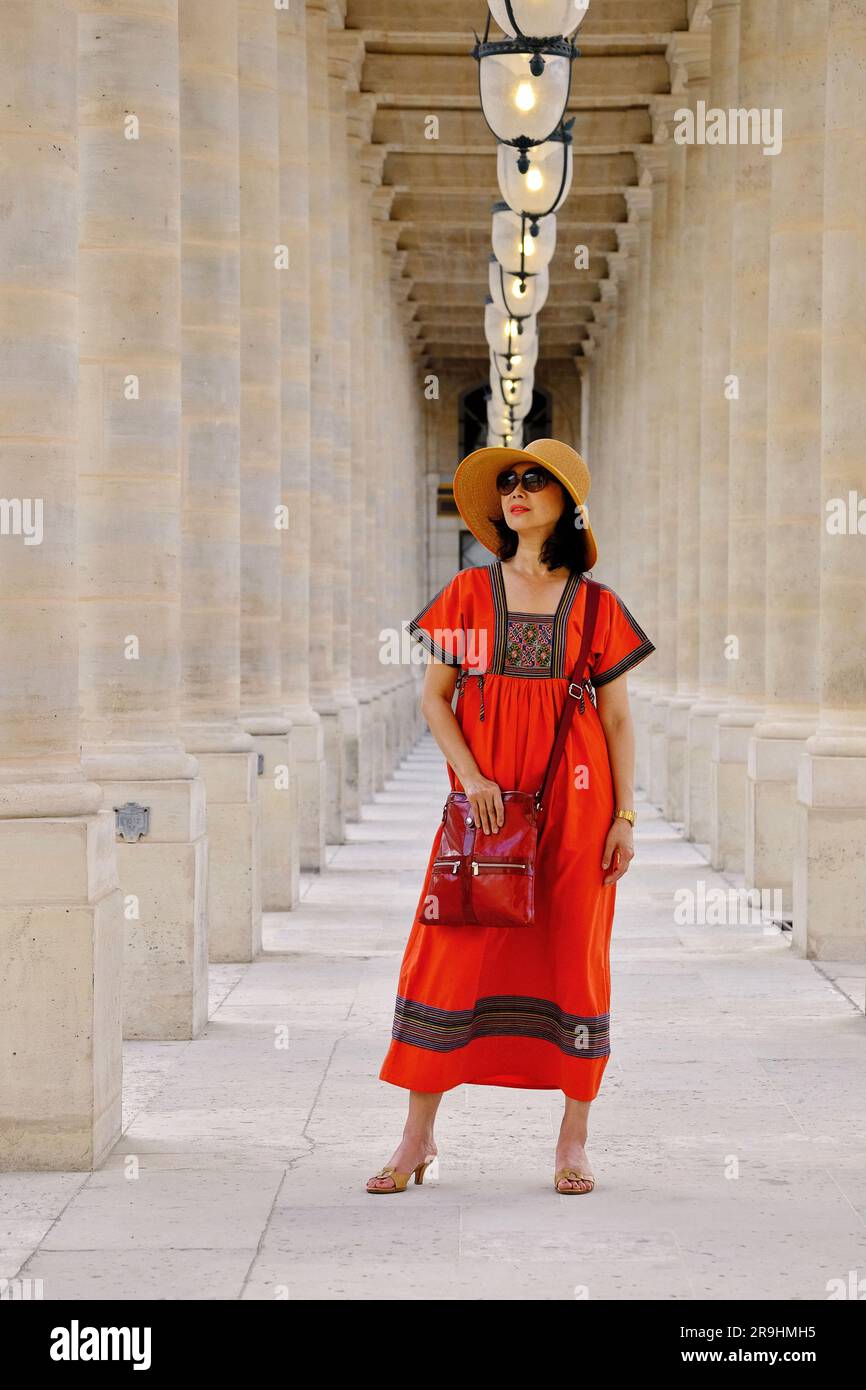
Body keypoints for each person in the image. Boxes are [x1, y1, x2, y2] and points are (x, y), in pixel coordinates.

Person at [368, 439, 655, 1195]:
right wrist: (471, 777)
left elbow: (619, 722)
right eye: (509, 483)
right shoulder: (466, 594)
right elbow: (435, 696)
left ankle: (573, 1144)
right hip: (484, 806)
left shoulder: (598, 607)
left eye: (534, 481)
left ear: (565, 502)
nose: (517, 491)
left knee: (575, 951)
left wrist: (625, 815)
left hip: (579, 803)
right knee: (449, 947)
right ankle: (416, 1137)